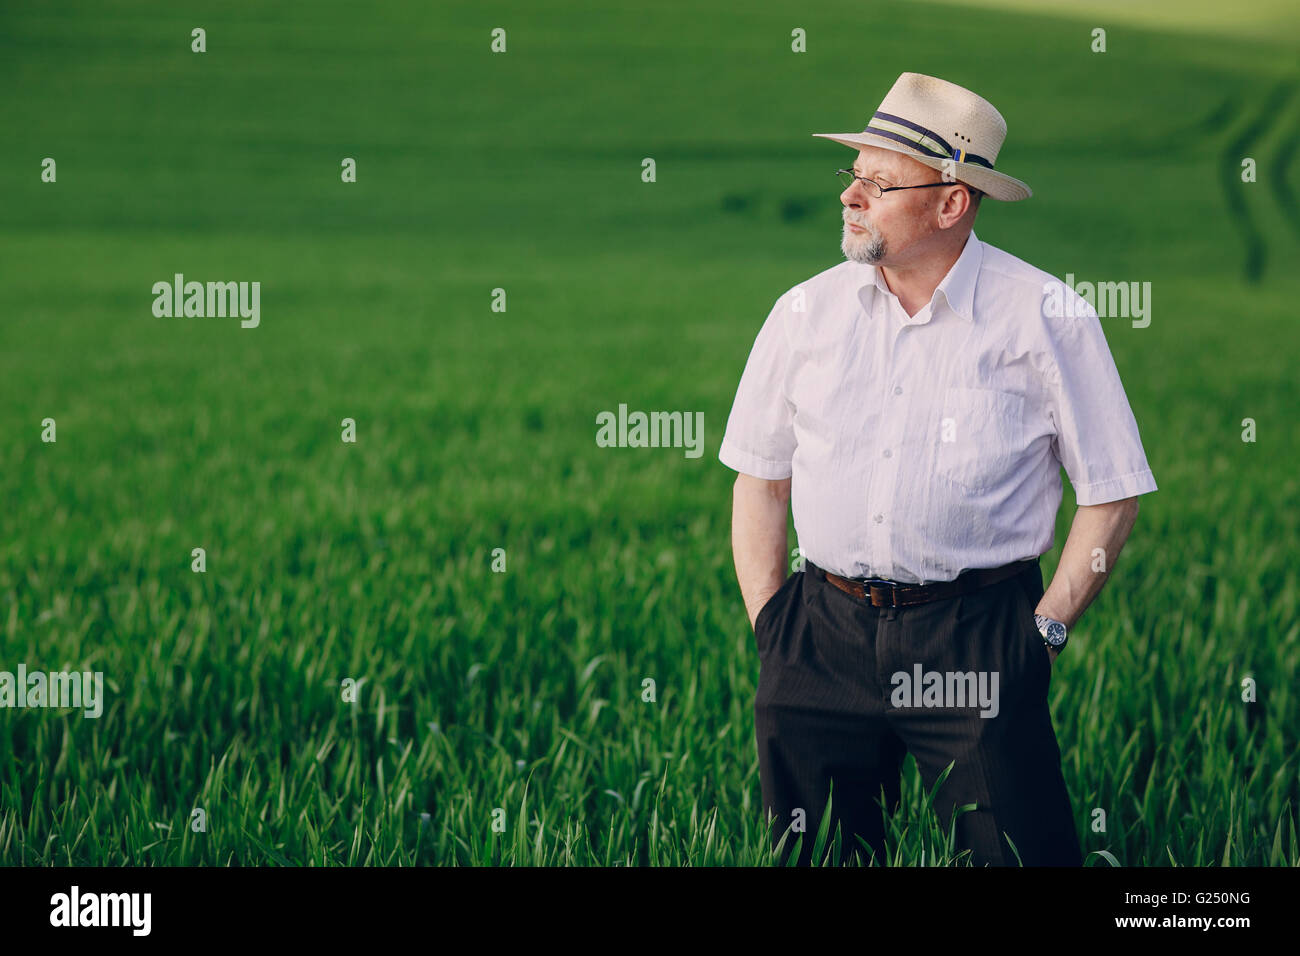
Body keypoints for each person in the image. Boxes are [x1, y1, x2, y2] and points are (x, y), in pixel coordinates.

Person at [719, 72, 1157, 866]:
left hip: (977, 634)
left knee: (1016, 855)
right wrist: (773, 627)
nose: (851, 197)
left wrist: (1043, 633)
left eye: (878, 183)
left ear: (951, 202)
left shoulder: (1045, 317)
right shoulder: (803, 313)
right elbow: (759, 477)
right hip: (820, 632)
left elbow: (1114, 493)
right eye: (853, 176)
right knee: (816, 856)